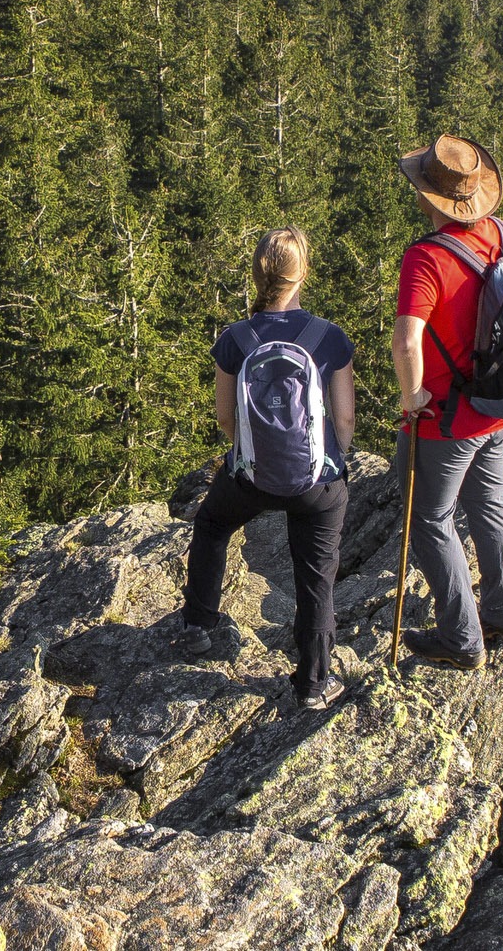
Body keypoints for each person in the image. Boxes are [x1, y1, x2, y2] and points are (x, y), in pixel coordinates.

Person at [177, 226, 356, 710]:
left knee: (212, 524)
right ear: (303, 273)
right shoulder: (328, 338)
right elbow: (343, 419)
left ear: (258, 275)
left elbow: (225, 418)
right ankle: (313, 683)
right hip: (316, 483)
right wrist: (332, 463)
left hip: (251, 477)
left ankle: (197, 625)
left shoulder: (235, 339)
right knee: (316, 573)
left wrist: (253, 456)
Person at [391, 134, 503, 670]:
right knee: (491, 503)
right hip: (499, 403)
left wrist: (413, 397)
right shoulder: (501, 233)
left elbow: (407, 341)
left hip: (447, 418)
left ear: (428, 195)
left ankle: (462, 639)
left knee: (429, 520)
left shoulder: (425, 257)